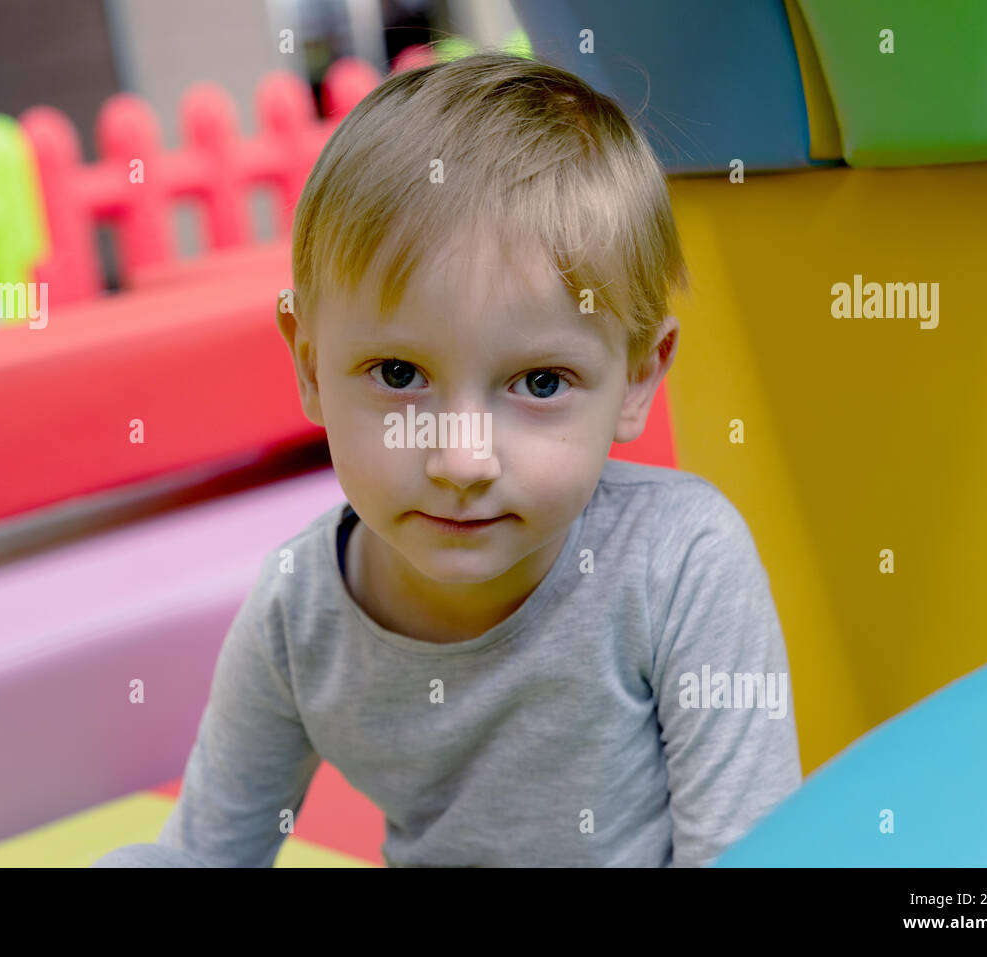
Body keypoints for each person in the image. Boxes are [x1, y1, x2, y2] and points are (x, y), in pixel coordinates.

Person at [95, 51, 801, 868]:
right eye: (399, 375)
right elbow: (202, 858)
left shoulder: (681, 563)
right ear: (310, 364)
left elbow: (753, 856)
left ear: (639, 375)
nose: (462, 461)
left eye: (541, 382)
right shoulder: (298, 614)